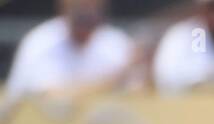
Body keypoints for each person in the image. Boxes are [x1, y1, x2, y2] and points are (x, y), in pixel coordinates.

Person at [4, 0, 134, 101]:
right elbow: (51, 101)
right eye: (80, 5)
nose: (87, 7)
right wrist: (115, 79)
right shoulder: (39, 43)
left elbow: (138, 94)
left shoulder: (118, 44)